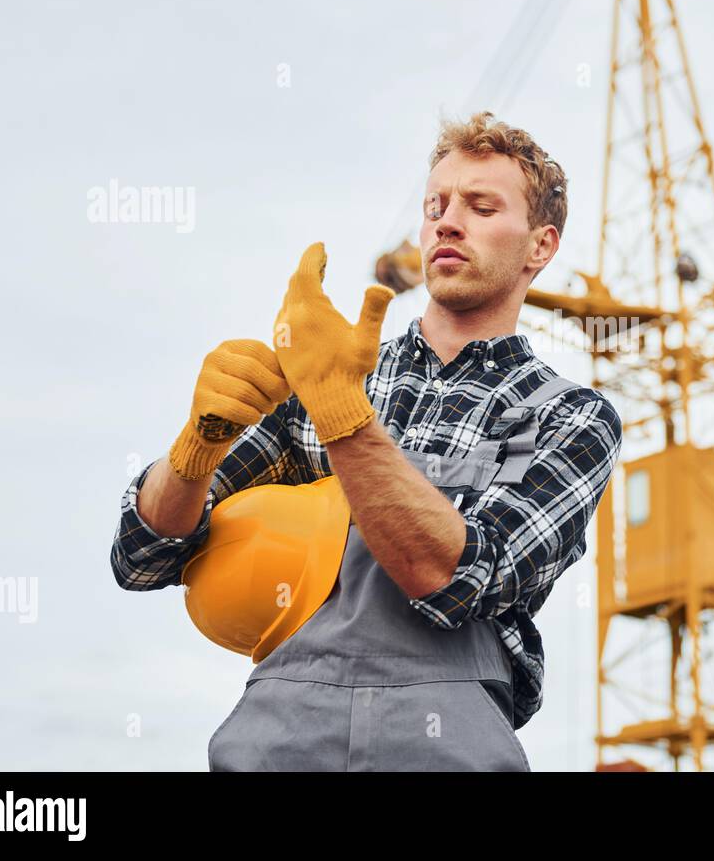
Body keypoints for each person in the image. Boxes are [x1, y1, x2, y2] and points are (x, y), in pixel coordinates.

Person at [110, 111, 623, 771]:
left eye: (481, 205)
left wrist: (343, 415)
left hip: (449, 737)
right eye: (436, 204)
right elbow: (142, 556)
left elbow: (456, 578)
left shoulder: (567, 417)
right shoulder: (324, 380)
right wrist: (194, 450)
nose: (447, 220)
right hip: (281, 729)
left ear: (540, 246)